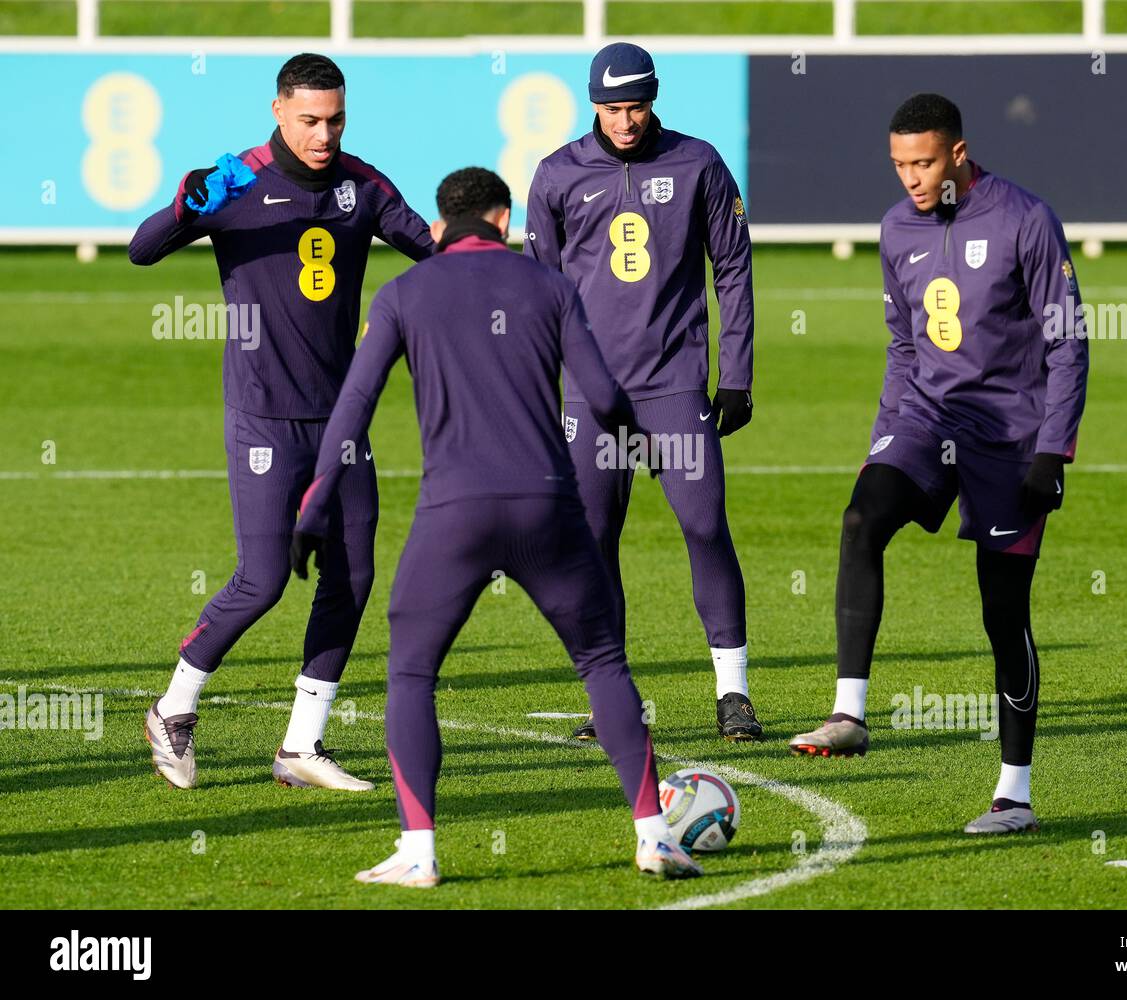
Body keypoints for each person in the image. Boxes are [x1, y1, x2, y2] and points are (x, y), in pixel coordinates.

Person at [291, 167, 701, 884]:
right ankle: (654, 835)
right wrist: (644, 437)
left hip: (454, 513)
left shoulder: (401, 294)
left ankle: (418, 852)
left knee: (412, 672)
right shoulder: (548, 285)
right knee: (603, 663)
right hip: (549, 505)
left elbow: (352, 409)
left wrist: (315, 505)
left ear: (441, 228)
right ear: (504, 220)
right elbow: (603, 396)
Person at [132, 53, 434, 791]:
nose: (324, 134)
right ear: (277, 112)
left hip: (343, 422)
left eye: (335, 119)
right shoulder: (234, 183)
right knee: (263, 579)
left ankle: (301, 746)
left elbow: (431, 251)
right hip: (264, 417)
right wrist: (186, 203)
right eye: (309, 121)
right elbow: (142, 251)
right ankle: (173, 709)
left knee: (353, 576)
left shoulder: (363, 185)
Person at [789, 94, 1089, 836]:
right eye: (899, 165)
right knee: (862, 519)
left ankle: (1014, 794)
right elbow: (901, 343)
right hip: (924, 420)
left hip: (1010, 438)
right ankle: (850, 713)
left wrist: (1054, 448)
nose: (911, 179)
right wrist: (884, 437)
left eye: (923, 163)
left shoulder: (1025, 219)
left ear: (959, 152)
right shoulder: (896, 229)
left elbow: (1070, 342)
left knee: (1002, 613)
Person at [525, 42, 763, 743]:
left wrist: (738, 372)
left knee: (703, 523)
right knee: (593, 540)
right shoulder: (556, 174)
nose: (624, 122)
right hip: (589, 396)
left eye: (635, 107)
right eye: (611, 109)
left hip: (673, 386)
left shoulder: (699, 163)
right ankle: (611, 701)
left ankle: (734, 694)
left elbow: (734, 270)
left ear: (653, 100)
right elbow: (538, 292)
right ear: (592, 104)